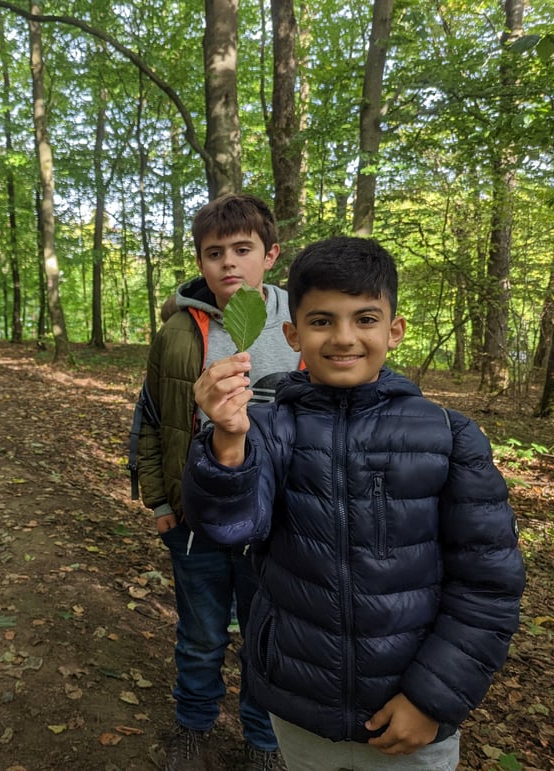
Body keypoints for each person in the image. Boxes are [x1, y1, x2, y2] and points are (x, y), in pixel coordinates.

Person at [181, 236, 526, 770]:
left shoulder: (449, 436)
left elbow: (489, 583)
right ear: (293, 334)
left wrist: (432, 698)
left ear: (394, 329)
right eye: (321, 321)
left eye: (364, 319)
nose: (344, 338)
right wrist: (226, 441)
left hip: (409, 720)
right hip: (300, 708)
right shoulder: (267, 429)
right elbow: (230, 529)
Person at [136, 194, 295, 771]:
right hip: (195, 520)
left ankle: (261, 737)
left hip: (276, 524)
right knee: (201, 635)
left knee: (264, 635)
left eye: (243, 250)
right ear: (201, 262)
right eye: (214, 253)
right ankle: (193, 724)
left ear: (270, 255)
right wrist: (158, 498)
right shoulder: (179, 331)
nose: (229, 263)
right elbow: (151, 419)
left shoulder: (300, 324)